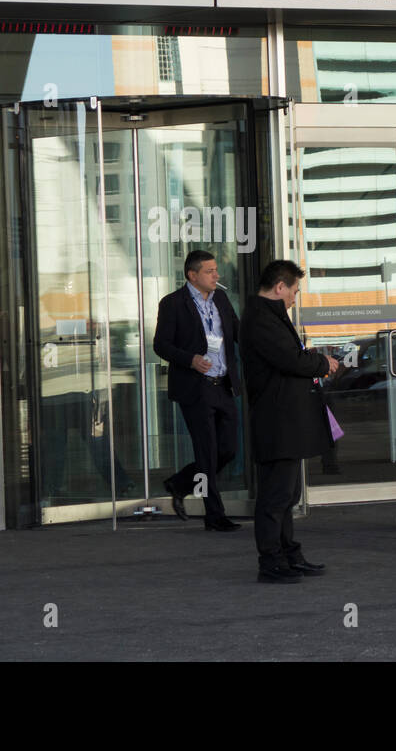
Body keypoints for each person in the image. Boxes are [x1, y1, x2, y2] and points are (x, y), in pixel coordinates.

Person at [241, 260, 339, 584]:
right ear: (280, 287)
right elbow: (290, 359)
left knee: (288, 493)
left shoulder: (269, 316)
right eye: (294, 290)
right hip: (276, 421)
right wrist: (322, 362)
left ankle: (289, 555)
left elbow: (290, 357)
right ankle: (271, 561)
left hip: (285, 420)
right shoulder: (261, 318)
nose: (295, 298)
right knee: (276, 496)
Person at [153, 250, 242, 531]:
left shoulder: (221, 299)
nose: (217, 275)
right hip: (196, 388)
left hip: (223, 384)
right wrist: (190, 359)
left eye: (216, 270)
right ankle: (214, 515)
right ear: (193, 275)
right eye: (210, 271)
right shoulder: (173, 303)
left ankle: (181, 483)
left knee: (228, 450)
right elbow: (161, 345)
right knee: (207, 452)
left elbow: (238, 332)